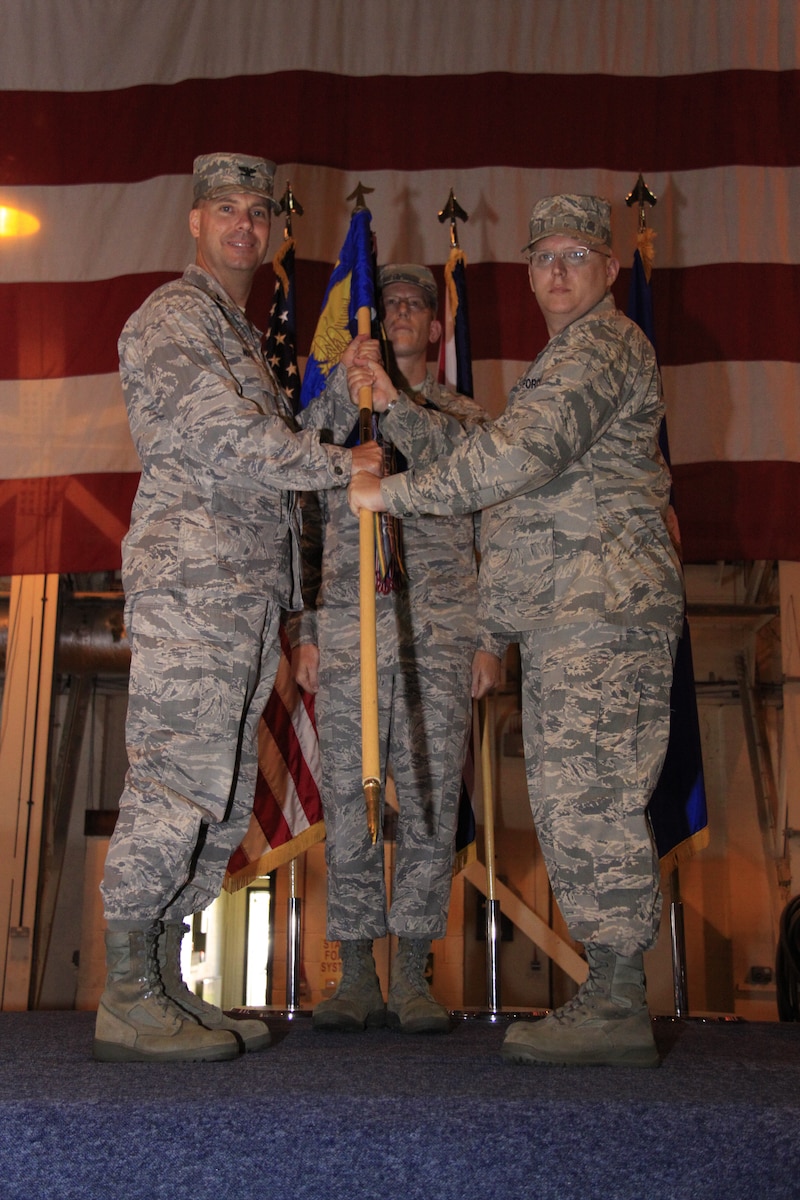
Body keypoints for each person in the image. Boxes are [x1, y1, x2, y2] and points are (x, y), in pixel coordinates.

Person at [347, 196, 685, 1067]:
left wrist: (392, 493)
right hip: (574, 609)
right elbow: (504, 476)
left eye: (577, 255)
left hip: (601, 610)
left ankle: (617, 1000)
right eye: (544, 257)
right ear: (529, 272)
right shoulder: (563, 359)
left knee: (592, 796)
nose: (558, 271)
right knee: (576, 795)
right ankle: (611, 992)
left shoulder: (602, 346)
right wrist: (399, 410)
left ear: (609, 269)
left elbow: (513, 460)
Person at [94, 153, 382, 1063]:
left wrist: (339, 399)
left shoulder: (240, 336)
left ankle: (161, 978)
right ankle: (124, 994)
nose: (244, 225)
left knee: (216, 798)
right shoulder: (173, 317)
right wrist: (340, 464)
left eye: (258, 212)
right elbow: (228, 437)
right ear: (195, 221)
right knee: (176, 780)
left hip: (246, 597)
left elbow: (275, 444)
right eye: (226, 208)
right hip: (194, 586)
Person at [291, 264, 502, 1034]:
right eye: (391, 304)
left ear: (437, 328)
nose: (404, 312)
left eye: (416, 304)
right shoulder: (337, 422)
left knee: (430, 800)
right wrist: (307, 631)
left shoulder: (464, 417)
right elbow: (306, 530)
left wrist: (490, 640)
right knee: (348, 800)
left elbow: (490, 518)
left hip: (437, 637)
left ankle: (413, 971)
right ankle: (354, 973)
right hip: (349, 637)